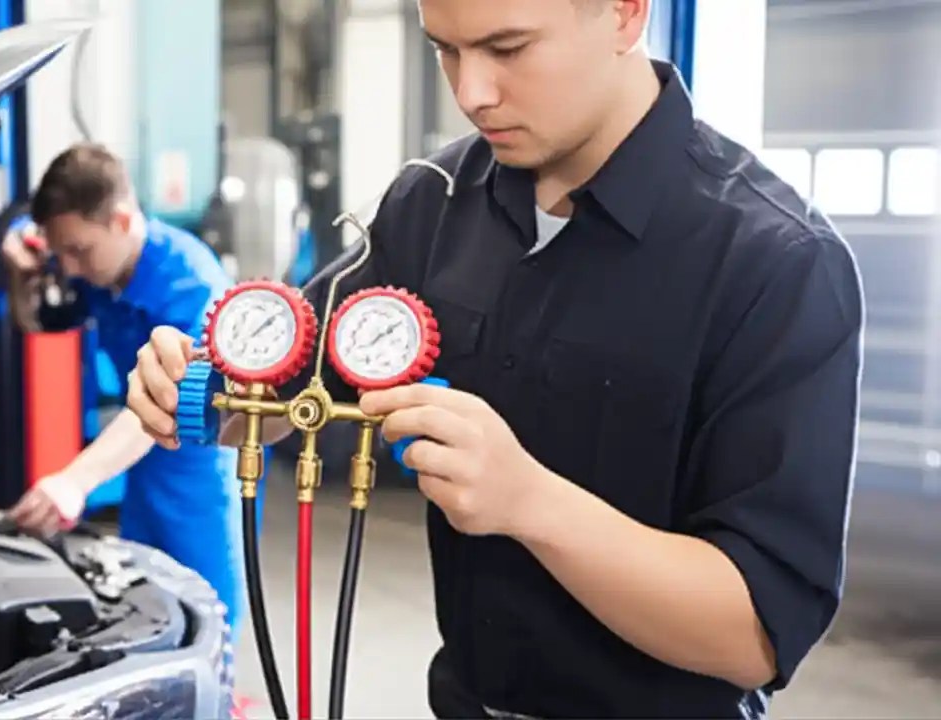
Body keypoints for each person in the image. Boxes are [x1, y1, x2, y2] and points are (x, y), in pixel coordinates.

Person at [125, 1, 864, 718]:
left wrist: (529, 502)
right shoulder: (433, 203)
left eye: (507, 48)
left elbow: (755, 635)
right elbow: (284, 387)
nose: (471, 93)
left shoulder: (777, 264)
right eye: (445, 48)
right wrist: (196, 389)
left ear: (625, 13)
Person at [2, 142, 248, 635]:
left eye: (78, 251)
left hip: (194, 469)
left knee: (210, 618)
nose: (69, 269)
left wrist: (73, 481)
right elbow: (38, 324)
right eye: (60, 252)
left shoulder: (191, 284)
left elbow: (167, 401)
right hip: (138, 463)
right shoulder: (103, 272)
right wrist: (20, 276)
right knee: (145, 607)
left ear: (120, 220)